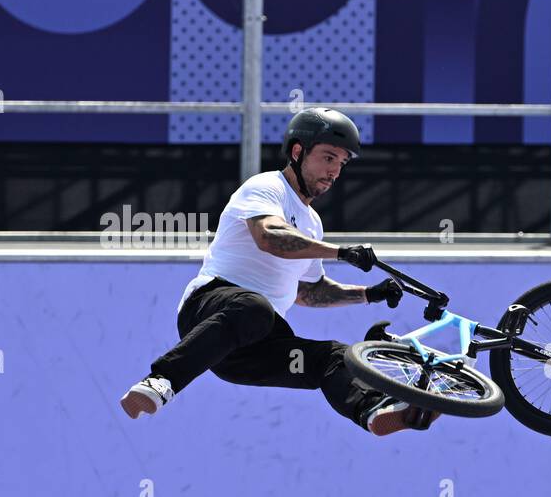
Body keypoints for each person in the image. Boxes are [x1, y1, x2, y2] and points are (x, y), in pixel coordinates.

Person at [119, 107, 437, 437]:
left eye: (341, 163)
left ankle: (375, 411)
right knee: (255, 309)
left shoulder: (313, 224)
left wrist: (369, 294)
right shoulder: (266, 187)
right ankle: (162, 379)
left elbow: (309, 292)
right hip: (209, 310)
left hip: (246, 353)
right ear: (298, 151)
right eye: (328, 158)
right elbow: (271, 237)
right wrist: (341, 252)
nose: (334, 172)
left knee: (333, 357)